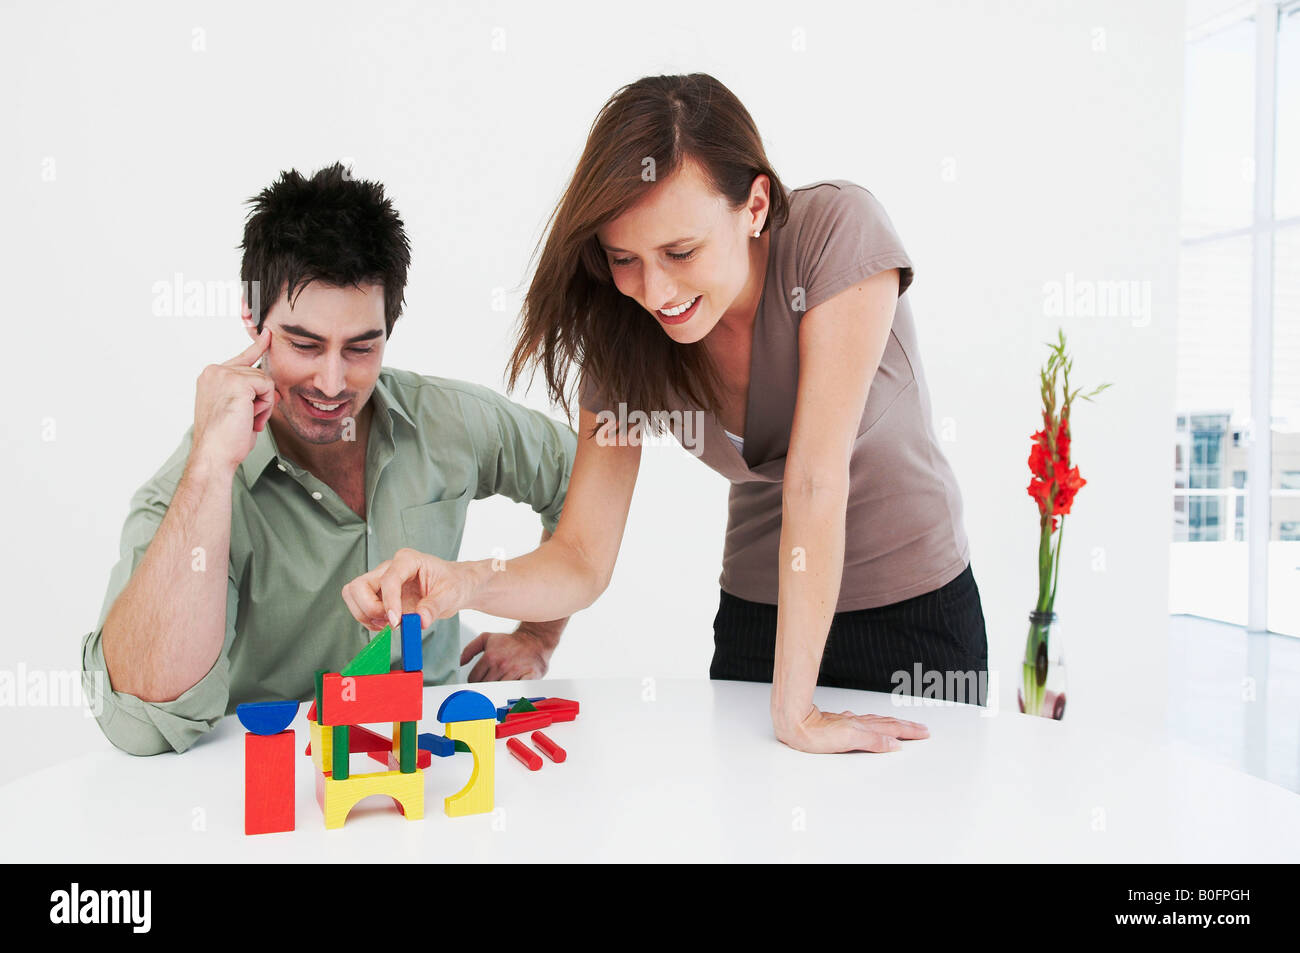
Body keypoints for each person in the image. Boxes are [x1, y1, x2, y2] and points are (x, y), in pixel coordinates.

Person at [341, 74, 987, 755]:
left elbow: (815, 479)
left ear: (756, 205)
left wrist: (794, 712)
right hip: (760, 618)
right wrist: (462, 580)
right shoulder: (625, 331)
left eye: (680, 252)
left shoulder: (837, 235)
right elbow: (583, 555)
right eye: (625, 258)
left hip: (915, 613)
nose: (655, 290)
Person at [81, 163, 577, 756]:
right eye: (304, 343)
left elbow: (582, 480)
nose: (332, 381)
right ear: (253, 318)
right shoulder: (191, 486)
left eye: (361, 347)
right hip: (279, 786)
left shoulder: (449, 420)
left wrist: (538, 634)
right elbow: (139, 725)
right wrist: (213, 469)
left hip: (431, 767)